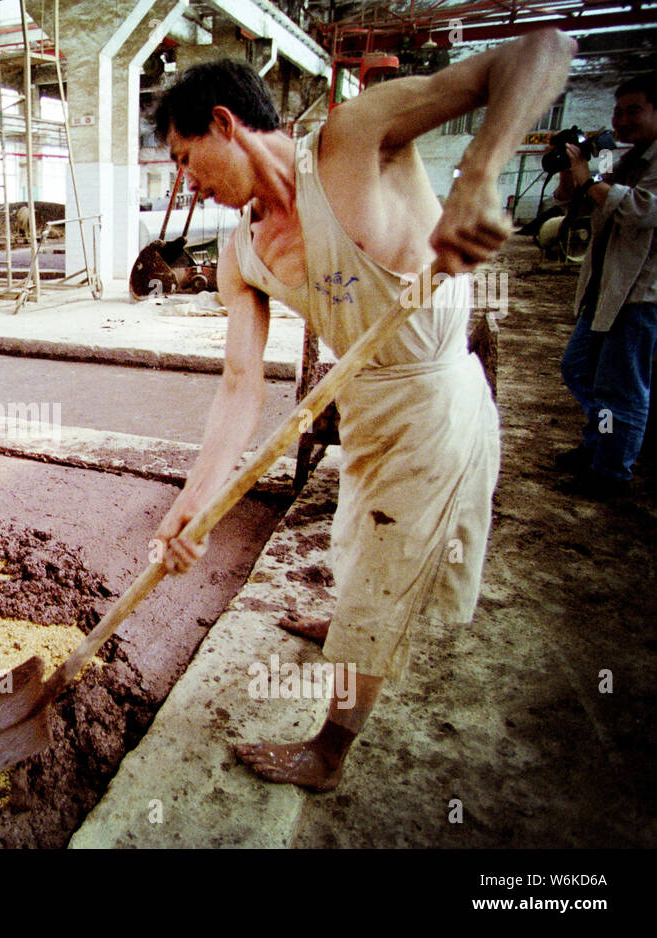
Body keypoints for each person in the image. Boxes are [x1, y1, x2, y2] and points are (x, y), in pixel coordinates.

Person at [148, 31, 575, 791]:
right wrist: (195, 500)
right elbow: (240, 388)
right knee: (359, 537)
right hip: (368, 398)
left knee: (385, 580)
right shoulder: (240, 257)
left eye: (183, 157)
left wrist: (479, 176)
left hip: (432, 396)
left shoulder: (354, 140)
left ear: (223, 122)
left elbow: (541, 49)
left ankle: (328, 754)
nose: (186, 183)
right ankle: (346, 625)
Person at [554, 72, 657, 498]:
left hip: (638, 296)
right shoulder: (621, 158)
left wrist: (590, 177)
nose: (622, 118)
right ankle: (601, 442)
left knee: (621, 388)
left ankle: (611, 470)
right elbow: (573, 202)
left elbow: (640, 211)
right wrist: (570, 171)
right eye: (618, 110)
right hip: (603, 289)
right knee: (579, 370)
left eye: (634, 109)